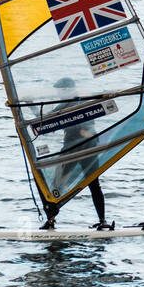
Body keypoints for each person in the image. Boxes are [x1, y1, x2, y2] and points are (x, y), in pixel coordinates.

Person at [39, 78, 113, 231]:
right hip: (85, 148)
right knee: (94, 185)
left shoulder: (75, 102)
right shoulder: (72, 102)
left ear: (67, 89)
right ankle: (102, 220)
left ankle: (51, 221)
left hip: (77, 149)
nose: (58, 94)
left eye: (60, 90)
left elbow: (47, 122)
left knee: (57, 185)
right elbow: (48, 120)